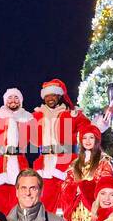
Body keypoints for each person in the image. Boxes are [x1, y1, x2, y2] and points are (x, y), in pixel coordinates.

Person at [32, 78, 90, 213]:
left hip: (66, 163)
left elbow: (89, 128)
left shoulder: (71, 114)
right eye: (47, 96)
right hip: (45, 164)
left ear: (59, 96)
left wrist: (102, 122)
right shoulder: (36, 116)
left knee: (70, 202)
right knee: (45, 204)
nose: (50, 98)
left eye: (53, 95)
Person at [59, 123, 113, 221]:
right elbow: (65, 185)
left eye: (91, 137)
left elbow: (105, 185)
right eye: (84, 138)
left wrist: (83, 187)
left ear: (97, 140)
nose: (88, 141)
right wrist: (75, 188)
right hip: (76, 211)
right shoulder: (75, 163)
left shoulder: (104, 162)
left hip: (94, 210)